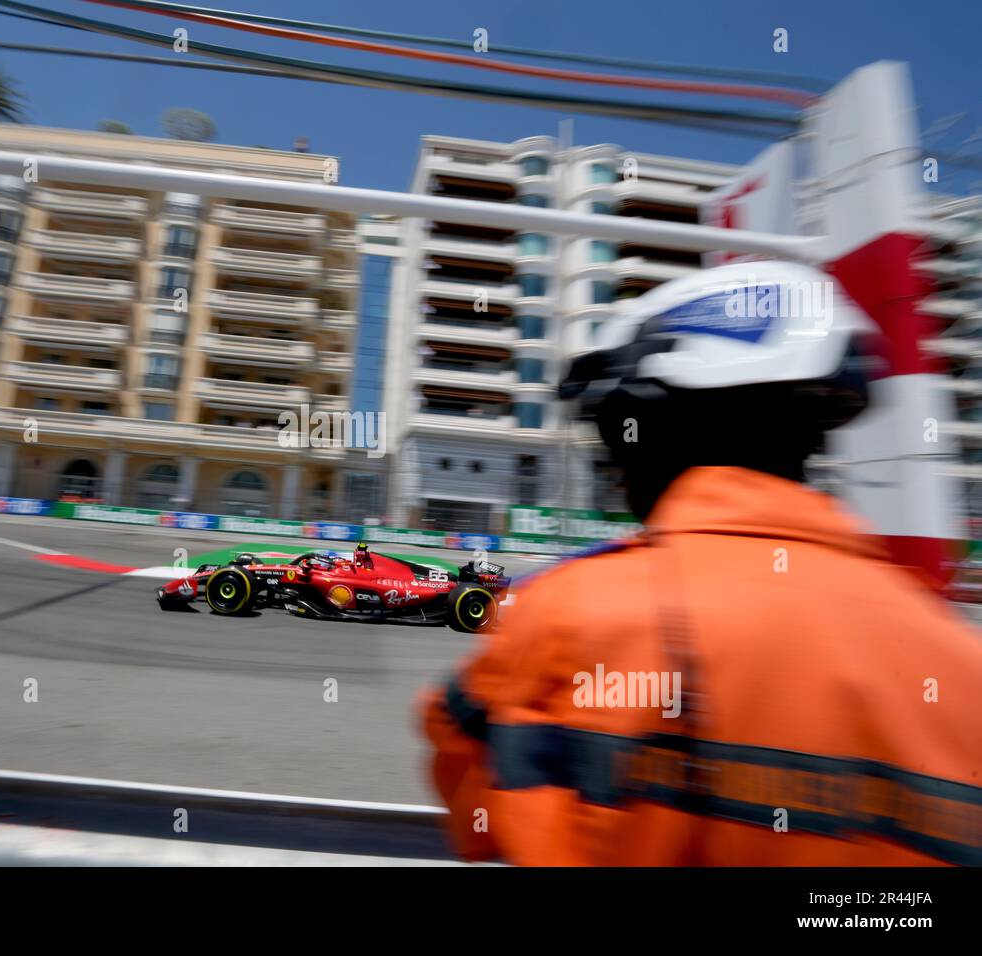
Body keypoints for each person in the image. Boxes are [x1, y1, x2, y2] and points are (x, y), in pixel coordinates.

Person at [419, 261, 982, 866]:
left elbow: (473, 806)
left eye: (614, 441)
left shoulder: (565, 613)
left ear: (650, 428)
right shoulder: (957, 653)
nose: (614, 471)